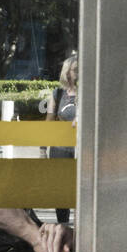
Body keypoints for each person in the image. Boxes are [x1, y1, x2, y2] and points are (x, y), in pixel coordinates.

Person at [46, 53, 77, 223]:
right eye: (74, 70)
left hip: (80, 148)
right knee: (61, 191)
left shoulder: (88, 93)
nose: (77, 73)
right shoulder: (57, 94)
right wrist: (43, 149)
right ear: (67, 73)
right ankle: (63, 225)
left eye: (80, 70)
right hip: (60, 150)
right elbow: (49, 123)